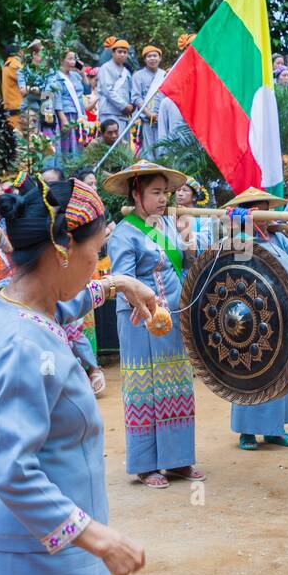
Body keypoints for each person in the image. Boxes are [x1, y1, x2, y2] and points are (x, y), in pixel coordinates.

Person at [0, 174, 153, 575]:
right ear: (62, 248)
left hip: (48, 539)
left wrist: (117, 283)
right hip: (40, 551)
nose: (100, 263)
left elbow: (61, 300)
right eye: (97, 252)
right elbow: (14, 471)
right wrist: (98, 537)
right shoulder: (22, 346)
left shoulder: (13, 303)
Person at [102, 161, 204, 488]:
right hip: (139, 321)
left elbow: (186, 260)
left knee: (175, 386)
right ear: (137, 194)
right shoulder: (123, 233)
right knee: (145, 387)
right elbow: (122, 280)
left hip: (172, 318)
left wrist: (192, 240)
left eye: (165, 192)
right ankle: (145, 465)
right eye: (155, 193)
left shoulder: (167, 226)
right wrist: (148, 311)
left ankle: (178, 460)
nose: (162, 199)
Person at [221, 187, 288, 451]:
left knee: (280, 369)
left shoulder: (279, 240)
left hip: (281, 311)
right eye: (258, 209)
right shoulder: (238, 240)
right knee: (248, 370)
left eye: (267, 208)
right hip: (247, 316)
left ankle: (275, 429)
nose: (264, 215)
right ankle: (247, 431)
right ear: (247, 212)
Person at [131, 45, 164, 158]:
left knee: (163, 150)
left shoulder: (165, 75)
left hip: (162, 120)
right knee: (148, 151)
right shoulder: (138, 76)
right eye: (149, 56)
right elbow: (136, 98)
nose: (152, 58)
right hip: (147, 119)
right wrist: (149, 114)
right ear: (145, 59)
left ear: (160, 58)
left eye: (155, 56)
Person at [97, 39, 134, 137]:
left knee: (123, 146)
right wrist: (124, 105)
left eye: (125, 52)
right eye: (119, 52)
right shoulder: (105, 67)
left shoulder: (127, 71)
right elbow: (107, 90)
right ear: (113, 53)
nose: (122, 55)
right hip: (109, 111)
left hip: (124, 114)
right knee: (110, 143)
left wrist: (130, 106)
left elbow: (130, 92)